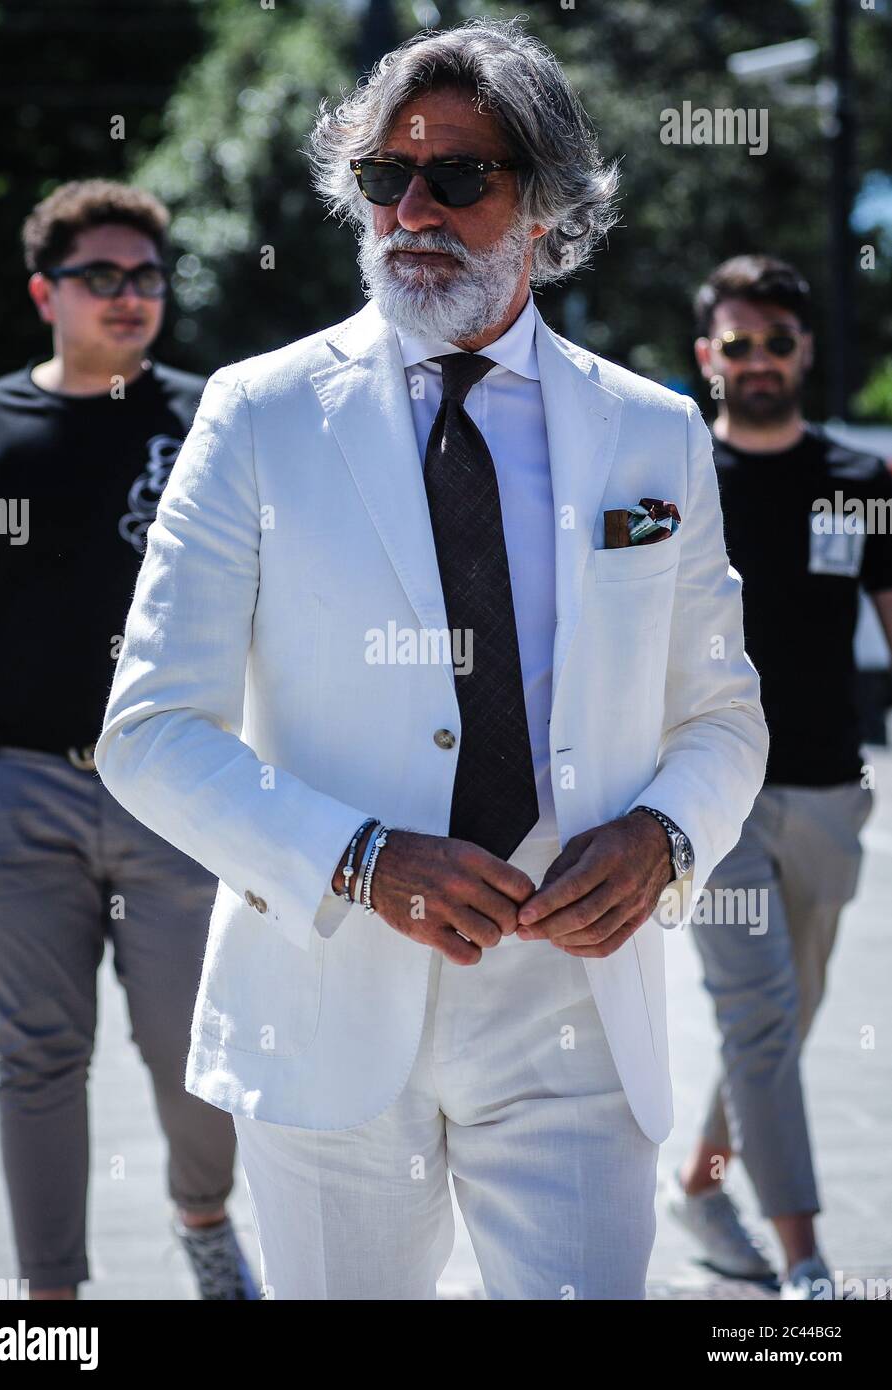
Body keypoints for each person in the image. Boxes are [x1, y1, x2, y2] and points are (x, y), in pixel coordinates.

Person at [95, 18, 768, 1301]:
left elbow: (724, 719)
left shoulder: (653, 435)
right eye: (384, 177)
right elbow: (150, 728)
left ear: (546, 210)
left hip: (575, 1011)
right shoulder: (259, 413)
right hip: (328, 999)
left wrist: (667, 839)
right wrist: (357, 859)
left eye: (459, 177)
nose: (412, 207)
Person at [0, 180, 257, 1299]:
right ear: (44, 292)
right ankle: (51, 1301)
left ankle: (206, 1219)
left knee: (193, 1054)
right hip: (18, 788)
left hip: (176, 792)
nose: (129, 297)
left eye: (146, 277)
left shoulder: (211, 416)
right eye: (100, 277)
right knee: (35, 1062)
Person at [668, 254, 892, 1299]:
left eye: (778, 342)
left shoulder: (861, 482)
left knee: (788, 1020)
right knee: (758, 1017)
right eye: (737, 343)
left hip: (828, 790)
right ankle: (804, 1256)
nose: (757, 360)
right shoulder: (677, 476)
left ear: (805, 351)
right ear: (707, 355)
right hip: (715, 795)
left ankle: (703, 1186)